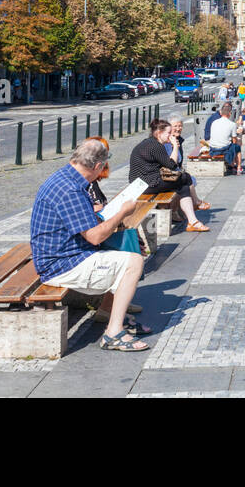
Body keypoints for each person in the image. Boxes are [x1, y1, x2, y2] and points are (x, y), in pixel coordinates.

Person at [30, 137, 150, 351]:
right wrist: (122, 211)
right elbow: (94, 237)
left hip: (63, 252)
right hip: (61, 264)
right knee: (134, 261)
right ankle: (113, 333)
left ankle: (109, 312)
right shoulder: (71, 190)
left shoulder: (65, 178)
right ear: (97, 166)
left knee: (125, 245)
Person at [130, 118, 210, 231]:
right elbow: (171, 165)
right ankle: (194, 214)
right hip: (145, 184)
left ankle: (193, 221)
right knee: (185, 178)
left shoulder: (150, 143)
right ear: (159, 133)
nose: (170, 135)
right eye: (168, 133)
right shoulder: (155, 146)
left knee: (183, 184)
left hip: (144, 182)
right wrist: (175, 147)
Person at [207, 103, 242, 175]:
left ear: (221, 113)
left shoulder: (214, 122)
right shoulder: (232, 124)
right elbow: (234, 140)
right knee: (237, 147)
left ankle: (231, 165)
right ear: (230, 113)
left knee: (231, 145)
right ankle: (238, 167)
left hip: (213, 148)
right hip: (223, 149)